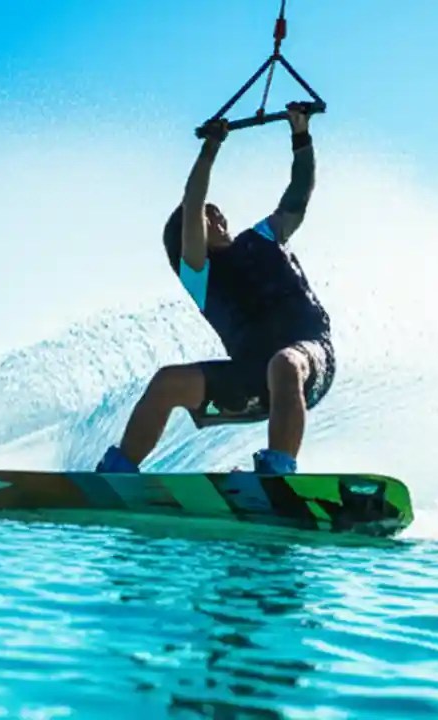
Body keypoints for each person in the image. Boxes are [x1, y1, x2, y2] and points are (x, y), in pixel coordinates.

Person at [96, 102, 335, 476]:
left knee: (284, 363)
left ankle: (277, 475)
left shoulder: (264, 237)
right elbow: (191, 205)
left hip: (308, 362)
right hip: (252, 382)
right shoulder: (199, 274)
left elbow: (299, 191)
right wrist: (210, 148)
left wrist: (300, 134)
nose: (218, 215)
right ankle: (117, 474)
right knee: (166, 382)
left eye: (218, 211)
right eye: (210, 214)